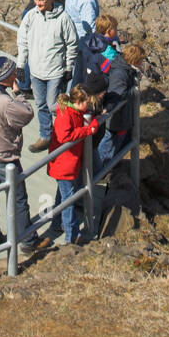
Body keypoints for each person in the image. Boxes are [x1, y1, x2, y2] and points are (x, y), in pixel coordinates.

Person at [0, 55, 47, 254]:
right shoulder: (5, 102)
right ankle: (28, 240)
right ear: (6, 76)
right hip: (6, 158)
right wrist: (18, 93)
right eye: (13, 72)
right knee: (18, 199)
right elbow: (27, 114)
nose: (16, 75)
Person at [16, 0, 78, 152]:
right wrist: (21, 66)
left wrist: (68, 68)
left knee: (53, 105)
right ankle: (46, 136)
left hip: (55, 71)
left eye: (41, 0)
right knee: (41, 105)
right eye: (36, 0)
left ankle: (65, 131)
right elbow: (22, 41)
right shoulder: (30, 16)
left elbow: (72, 43)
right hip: (36, 71)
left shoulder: (64, 18)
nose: (38, 4)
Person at [46, 85, 102, 245]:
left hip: (67, 163)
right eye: (87, 103)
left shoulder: (74, 112)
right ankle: (72, 236)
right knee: (68, 200)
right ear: (78, 101)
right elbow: (65, 137)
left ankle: (57, 224)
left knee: (63, 196)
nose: (89, 106)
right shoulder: (66, 115)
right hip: (64, 164)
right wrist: (88, 130)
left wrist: (91, 123)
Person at [83, 41, 145, 172]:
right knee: (107, 147)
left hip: (121, 117)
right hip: (116, 119)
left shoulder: (124, 68)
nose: (142, 64)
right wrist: (135, 90)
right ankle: (97, 172)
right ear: (135, 60)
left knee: (111, 146)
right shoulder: (120, 73)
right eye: (141, 61)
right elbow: (119, 93)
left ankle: (102, 170)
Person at [64, 0, 102, 82]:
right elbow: (89, 25)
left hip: (71, 32)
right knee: (80, 74)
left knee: (75, 69)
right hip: (82, 38)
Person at [78, 13, 121, 90]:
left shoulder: (90, 41)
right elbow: (117, 64)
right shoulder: (107, 49)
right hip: (102, 84)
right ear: (109, 31)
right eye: (115, 28)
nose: (117, 31)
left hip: (87, 79)